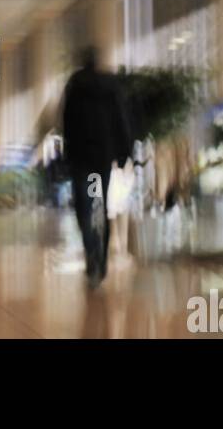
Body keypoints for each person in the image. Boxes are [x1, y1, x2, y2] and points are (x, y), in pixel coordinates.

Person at [61, 47, 133, 288]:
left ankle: (92, 250)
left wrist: (66, 155)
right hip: (102, 156)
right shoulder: (111, 86)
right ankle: (100, 257)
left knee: (85, 206)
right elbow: (120, 120)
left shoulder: (75, 85)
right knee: (100, 206)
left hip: (82, 157)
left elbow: (67, 122)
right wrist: (123, 153)